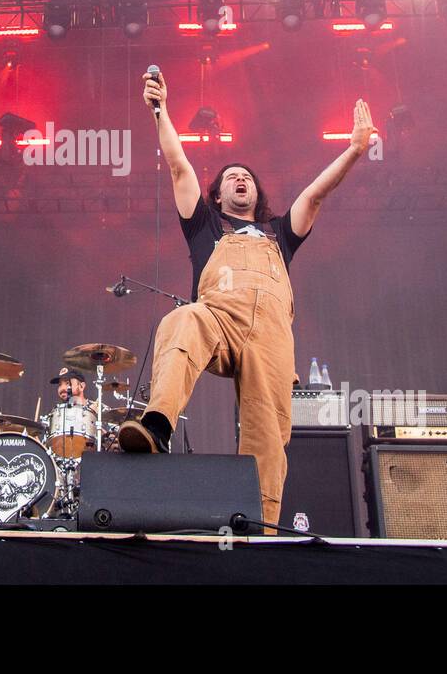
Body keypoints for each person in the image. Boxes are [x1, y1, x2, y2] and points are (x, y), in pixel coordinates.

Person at [118, 68, 376, 529]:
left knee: (267, 433)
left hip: (273, 338)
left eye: (247, 177)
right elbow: (179, 165)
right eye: (231, 178)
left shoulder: (281, 233)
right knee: (181, 320)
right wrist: (159, 111)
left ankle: (262, 527)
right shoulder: (205, 226)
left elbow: (315, 196)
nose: (240, 180)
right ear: (216, 196)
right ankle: (157, 425)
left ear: (257, 192)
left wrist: (355, 149)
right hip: (219, 318)